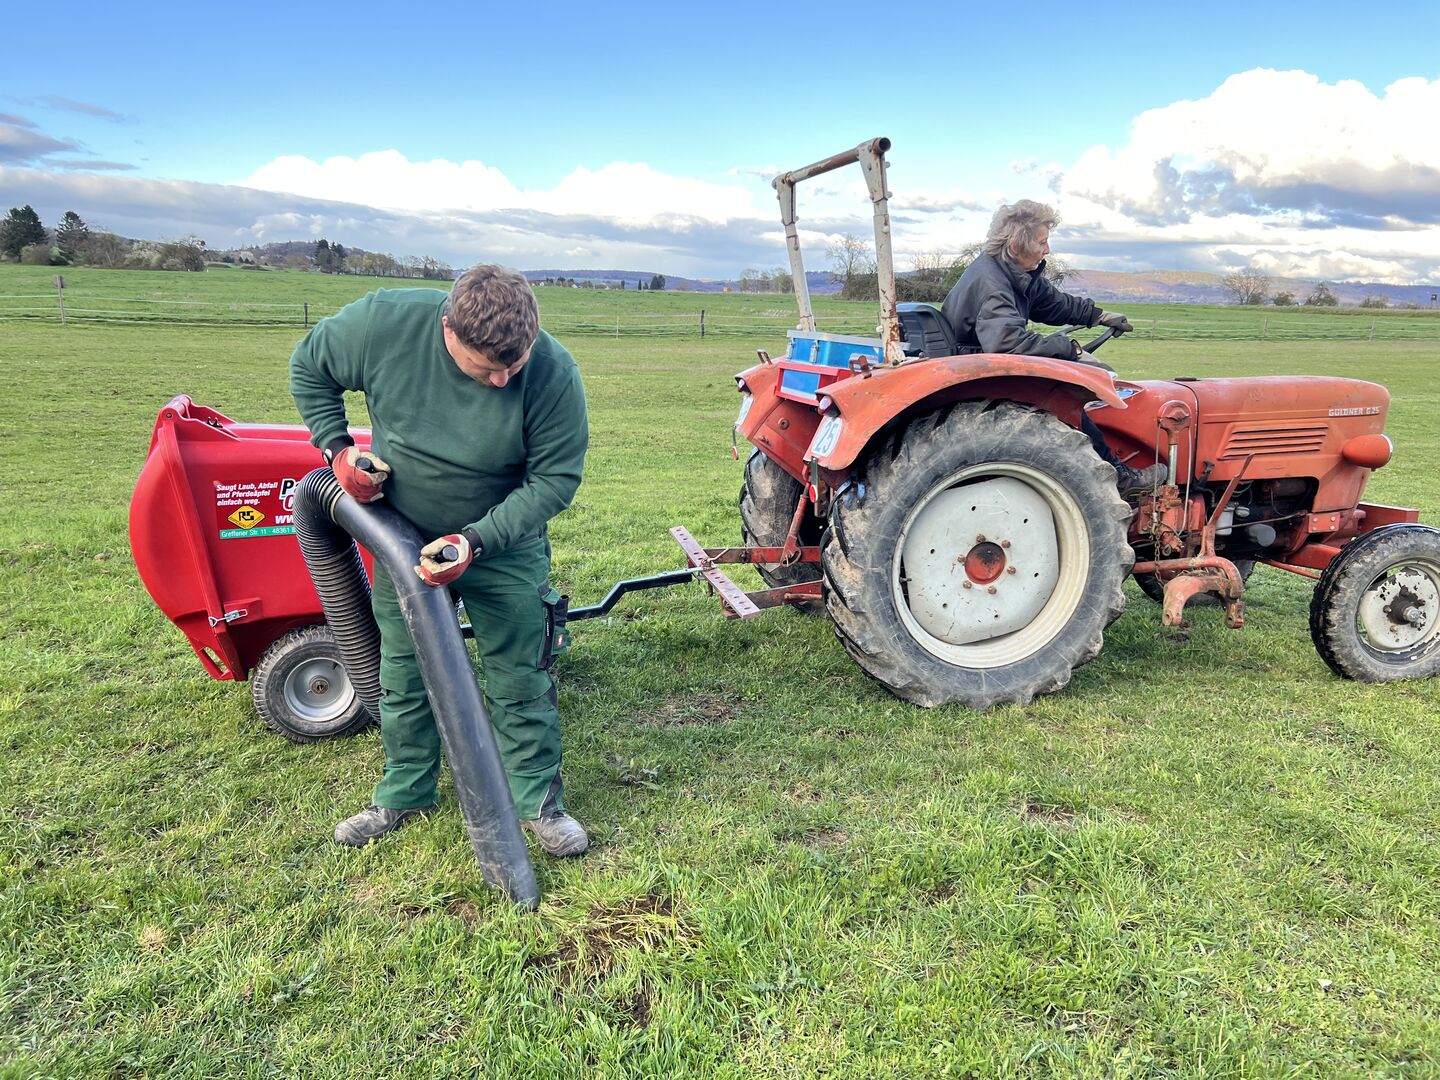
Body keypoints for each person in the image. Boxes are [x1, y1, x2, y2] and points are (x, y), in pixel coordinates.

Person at [290, 264, 590, 857]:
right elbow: (309, 367)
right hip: (402, 531)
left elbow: (555, 478)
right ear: (447, 329)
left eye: (516, 363)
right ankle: (404, 792)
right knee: (404, 670)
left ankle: (537, 803)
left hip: (502, 541)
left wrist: (475, 541)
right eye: (488, 367)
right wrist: (338, 447)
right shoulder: (383, 324)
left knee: (520, 672)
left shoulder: (553, 372)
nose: (504, 380)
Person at [941, 200, 1166, 496]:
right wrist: (1069, 351)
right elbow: (1007, 343)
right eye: (1042, 242)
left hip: (973, 360)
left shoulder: (1010, 272)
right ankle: (1116, 478)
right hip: (976, 368)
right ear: (1016, 244)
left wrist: (1095, 316)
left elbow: (1051, 302)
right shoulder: (994, 284)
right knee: (1067, 404)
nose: (1047, 250)